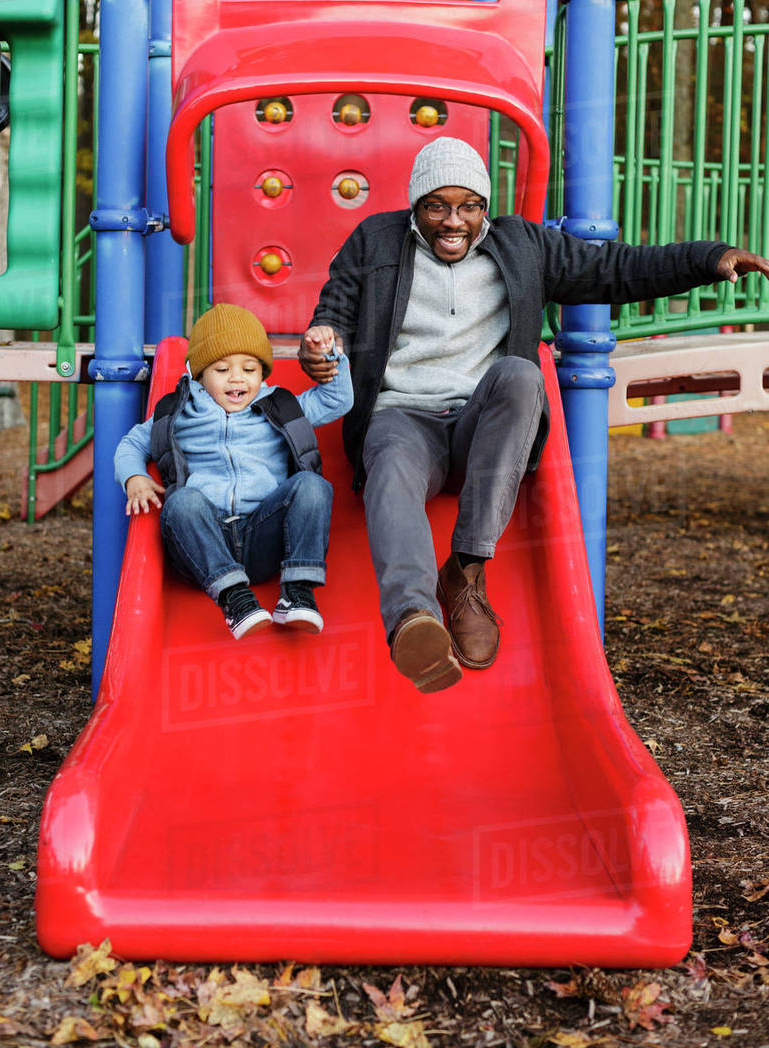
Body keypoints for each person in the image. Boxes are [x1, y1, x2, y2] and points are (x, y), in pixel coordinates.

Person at [299, 135, 769, 694]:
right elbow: (335, 311)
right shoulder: (374, 239)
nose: (454, 221)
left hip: (483, 424)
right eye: (437, 206)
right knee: (391, 461)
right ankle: (412, 619)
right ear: (415, 206)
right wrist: (319, 342)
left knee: (522, 376)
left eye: (469, 206)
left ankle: (466, 572)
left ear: (485, 208)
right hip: (404, 417)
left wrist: (707, 259)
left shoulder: (521, 244)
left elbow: (614, 269)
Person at [115, 303, 352, 639]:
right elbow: (131, 444)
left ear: (263, 373)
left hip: (265, 535)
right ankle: (234, 599)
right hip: (205, 542)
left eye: (249, 369)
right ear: (198, 375)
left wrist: (329, 357)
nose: (237, 378)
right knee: (182, 502)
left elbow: (336, 400)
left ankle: (298, 591)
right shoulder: (179, 413)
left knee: (312, 485)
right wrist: (134, 477)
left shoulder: (278, 407)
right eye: (222, 369)